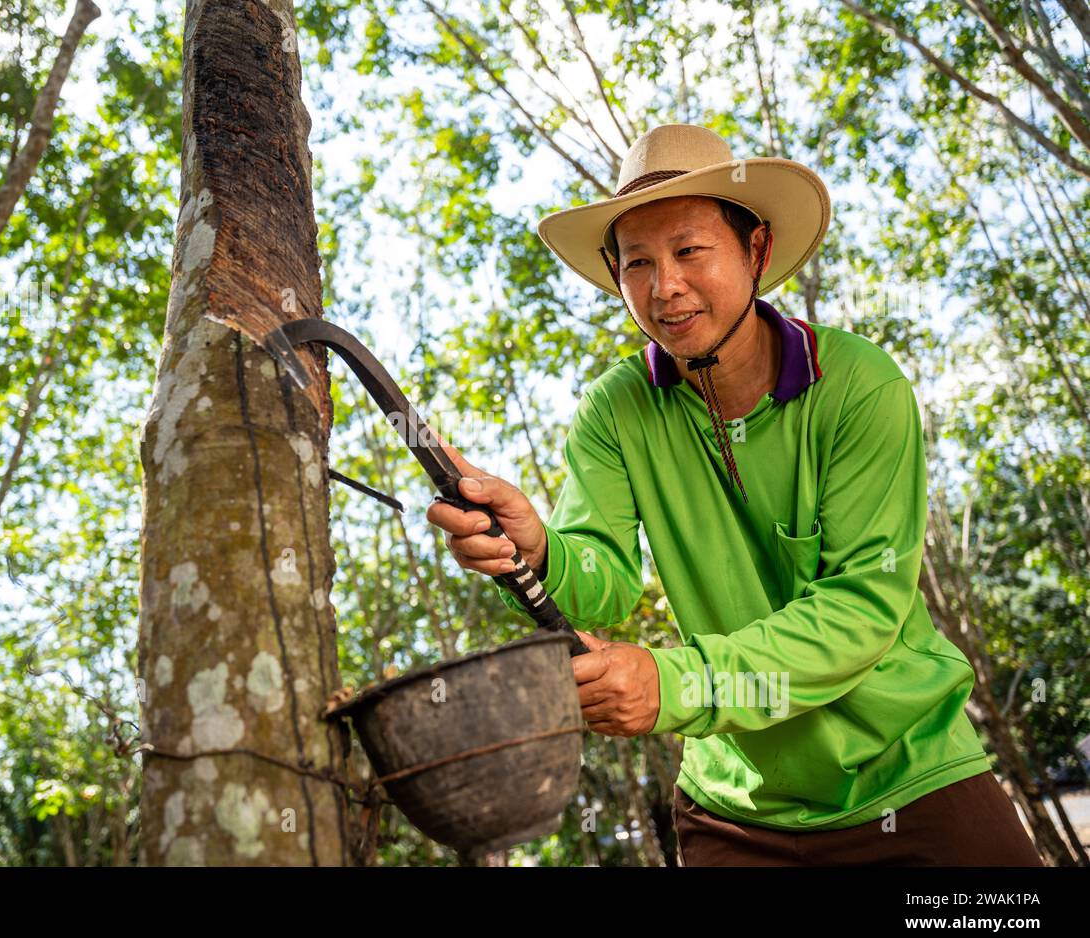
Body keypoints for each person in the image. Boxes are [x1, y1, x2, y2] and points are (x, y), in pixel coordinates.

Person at [425, 124, 1043, 866]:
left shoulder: (859, 386)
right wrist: (537, 550)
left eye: (689, 251)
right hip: (736, 810)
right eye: (638, 263)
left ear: (756, 251)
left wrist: (670, 680)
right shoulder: (614, 410)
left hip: (908, 774)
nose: (665, 287)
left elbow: (859, 610)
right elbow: (602, 586)